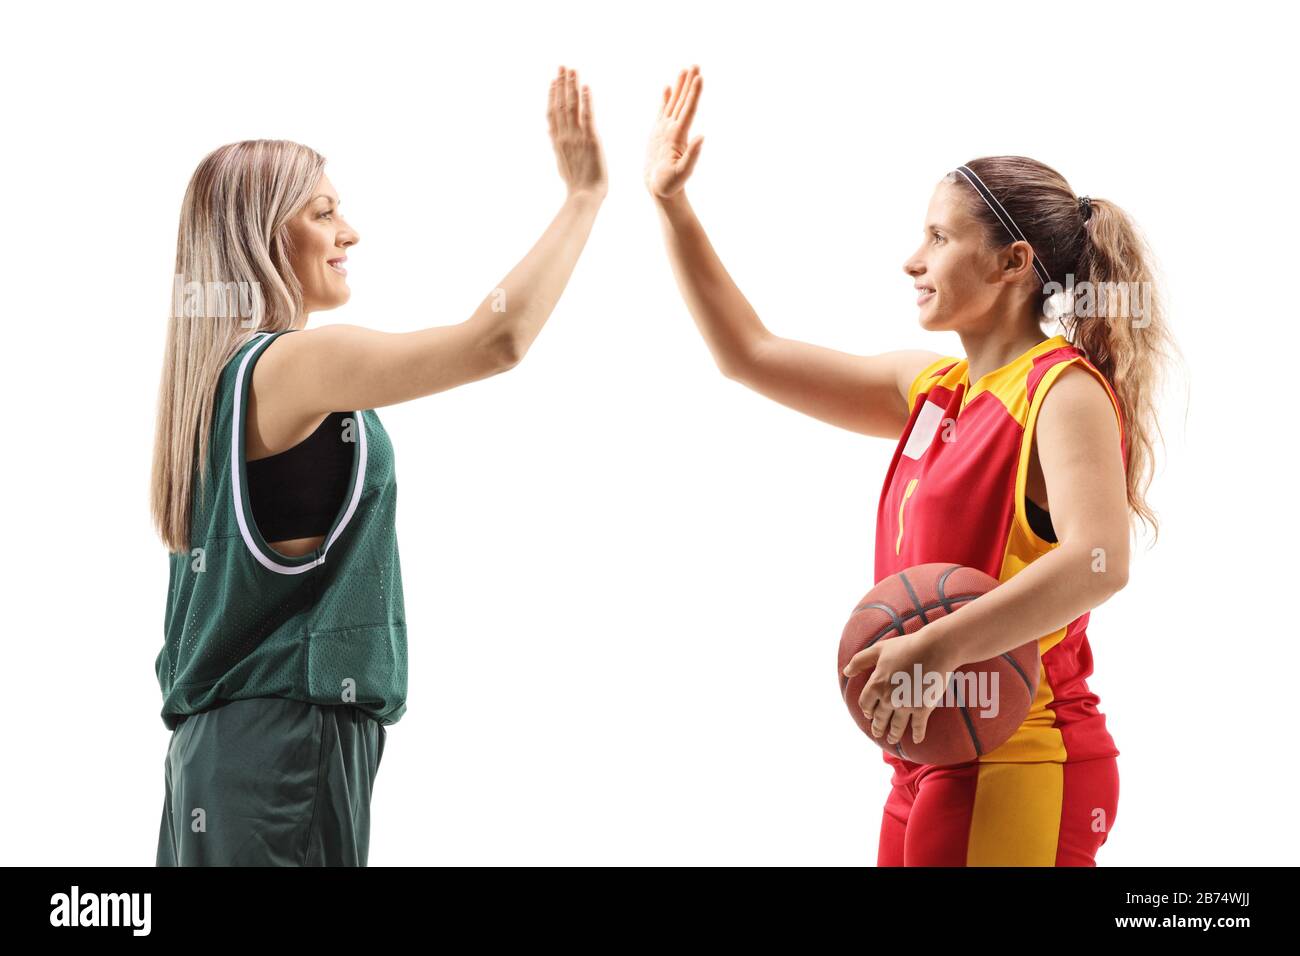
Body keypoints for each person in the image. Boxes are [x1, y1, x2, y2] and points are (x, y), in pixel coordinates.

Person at [645, 65, 1175, 865]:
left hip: (1018, 753)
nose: (911, 260)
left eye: (938, 237)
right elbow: (748, 353)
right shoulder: (933, 389)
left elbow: (1099, 563)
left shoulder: (1060, 392)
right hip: (928, 757)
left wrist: (937, 647)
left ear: (1011, 263)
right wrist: (673, 205)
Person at [150, 66, 607, 866]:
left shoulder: (213, 387)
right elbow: (493, 341)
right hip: (279, 748)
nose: (349, 233)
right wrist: (582, 199)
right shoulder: (291, 367)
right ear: (261, 235)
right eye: (323, 213)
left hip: (220, 760)